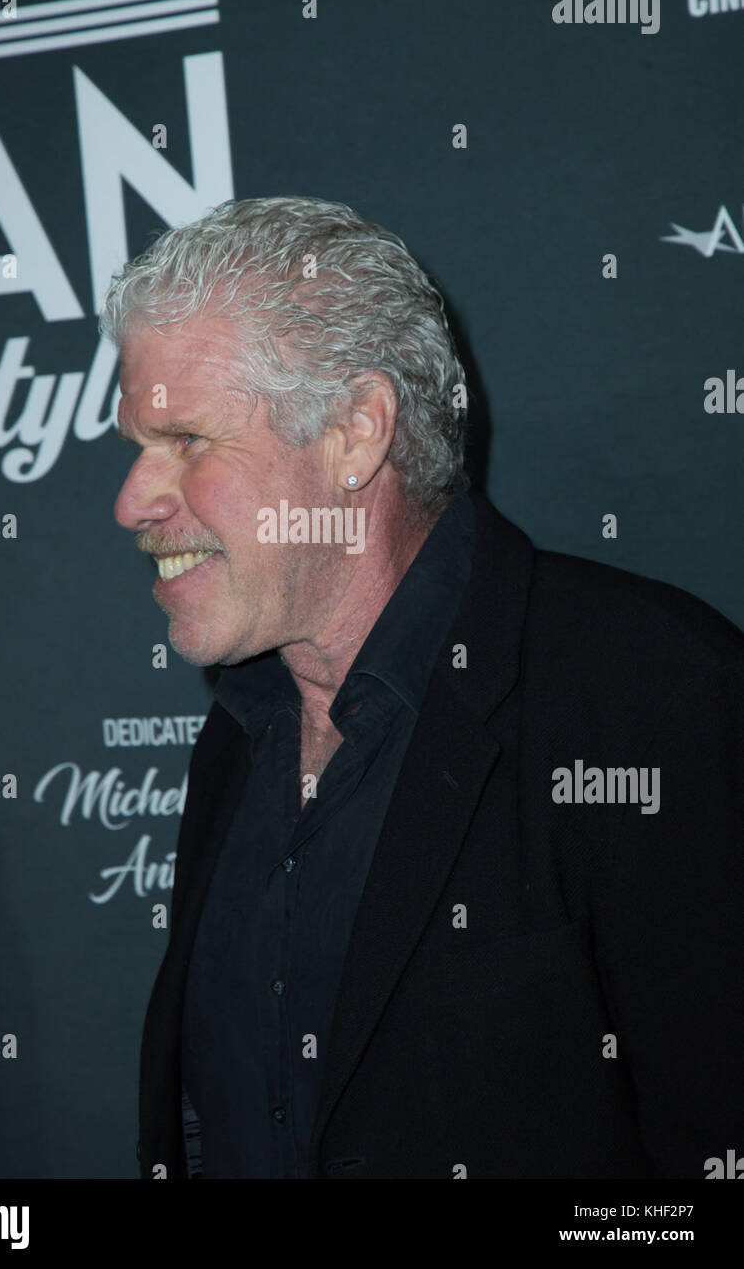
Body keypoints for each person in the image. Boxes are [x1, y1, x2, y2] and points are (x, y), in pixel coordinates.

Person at [104, 196, 744, 1180]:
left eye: (187, 441)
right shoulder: (240, 732)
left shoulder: (649, 693)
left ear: (356, 431)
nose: (132, 501)